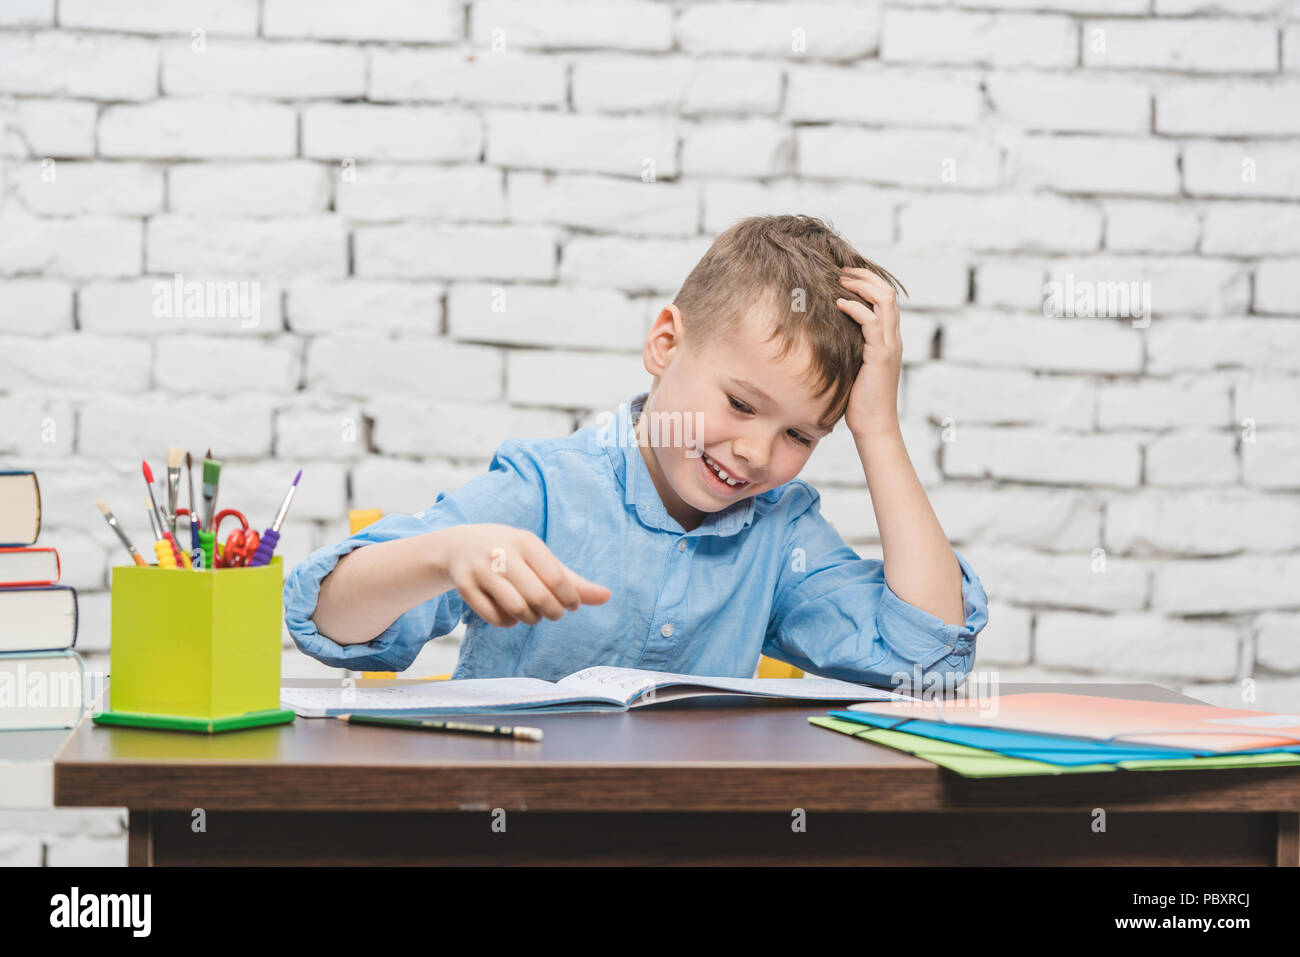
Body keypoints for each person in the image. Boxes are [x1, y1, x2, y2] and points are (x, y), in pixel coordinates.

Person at [284, 214, 989, 690]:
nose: (753, 452)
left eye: (800, 435)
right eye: (741, 404)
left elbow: (927, 661)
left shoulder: (781, 534)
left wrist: (879, 432)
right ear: (665, 343)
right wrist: (445, 553)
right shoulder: (544, 491)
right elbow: (325, 619)